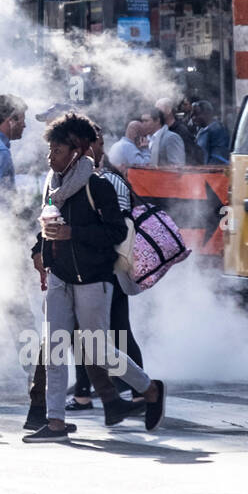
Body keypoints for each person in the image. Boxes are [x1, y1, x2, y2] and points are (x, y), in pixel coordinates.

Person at [24, 114, 164, 442]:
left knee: (99, 350)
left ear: (77, 150)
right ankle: (55, 422)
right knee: (56, 347)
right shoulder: (52, 184)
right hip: (59, 277)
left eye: (57, 150)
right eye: (50, 150)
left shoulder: (99, 186)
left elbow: (115, 232)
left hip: (93, 280)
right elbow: (47, 220)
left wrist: (73, 233)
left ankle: (149, 388)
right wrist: (39, 247)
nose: (50, 156)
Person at [67, 124, 146, 411]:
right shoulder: (98, 179)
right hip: (106, 268)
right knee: (111, 332)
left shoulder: (106, 182)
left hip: (108, 267)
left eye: (98, 144)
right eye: (94, 144)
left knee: (99, 333)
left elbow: (118, 227)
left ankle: (93, 393)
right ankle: (130, 392)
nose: (97, 149)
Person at [0, 94, 27, 189]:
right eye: (22, 120)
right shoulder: (1, 152)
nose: (24, 125)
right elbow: (5, 198)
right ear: (11, 121)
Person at [158, 96, 202, 164]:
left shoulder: (181, 131)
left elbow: (191, 157)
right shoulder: (160, 130)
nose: (156, 113)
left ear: (169, 110)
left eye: (159, 110)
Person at [192, 100, 230, 165]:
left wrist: (208, 171)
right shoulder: (201, 130)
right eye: (192, 115)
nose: (193, 118)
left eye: (196, 114)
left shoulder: (218, 131)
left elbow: (219, 158)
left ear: (207, 113)